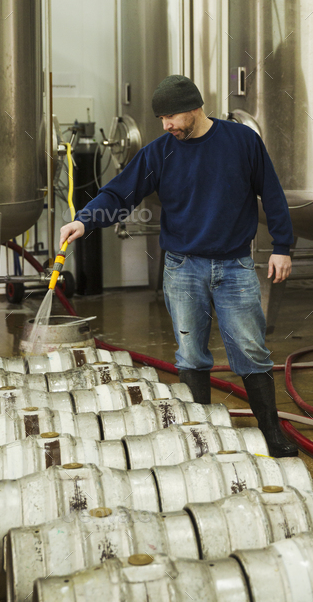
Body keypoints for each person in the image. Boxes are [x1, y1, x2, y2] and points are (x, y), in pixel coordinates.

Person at [60, 74, 297, 457]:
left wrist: (282, 246)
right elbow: (120, 192)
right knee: (191, 354)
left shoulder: (242, 142)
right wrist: (85, 219)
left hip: (234, 267)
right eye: (161, 119)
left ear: (194, 107)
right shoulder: (159, 152)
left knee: (252, 351)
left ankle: (272, 433)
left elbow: (271, 194)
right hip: (183, 268)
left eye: (171, 116)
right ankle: (201, 437)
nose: (166, 125)